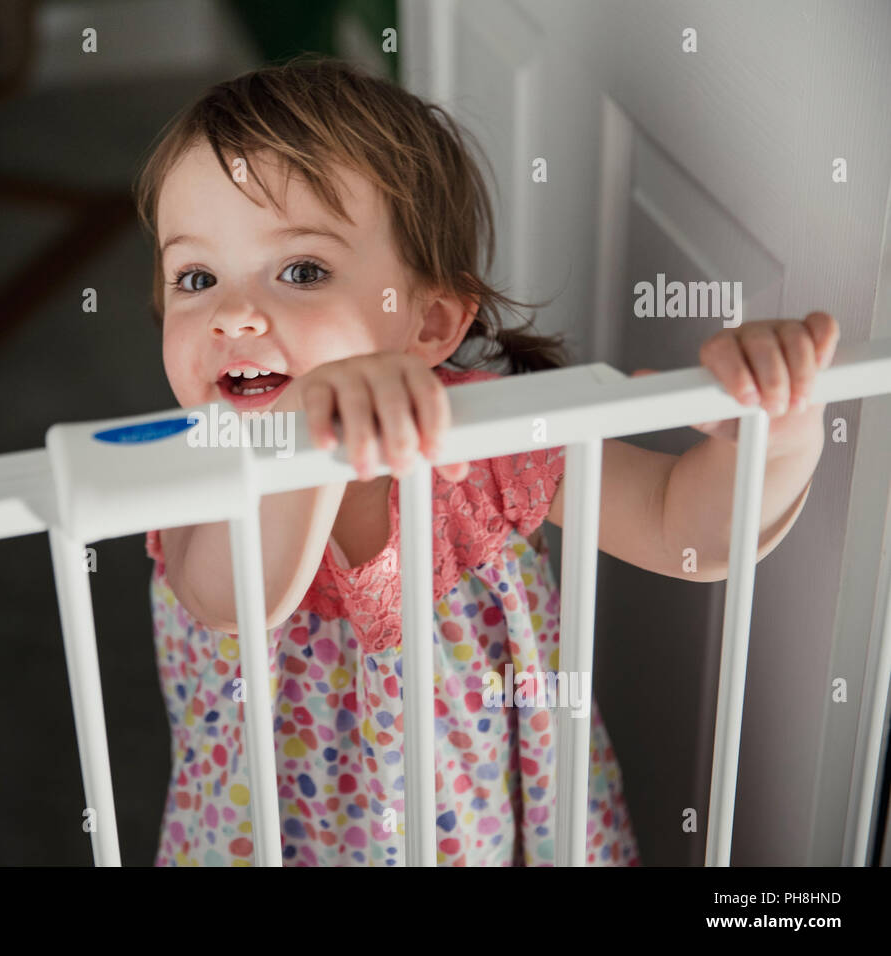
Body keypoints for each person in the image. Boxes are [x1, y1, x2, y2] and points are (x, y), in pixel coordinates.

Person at [134, 54, 835, 866]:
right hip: (272, 839)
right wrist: (306, 434)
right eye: (195, 277)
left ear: (430, 324)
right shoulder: (193, 460)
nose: (233, 314)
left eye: (302, 270)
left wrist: (776, 431)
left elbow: (686, 527)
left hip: (473, 828)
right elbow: (230, 599)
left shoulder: (484, 437)